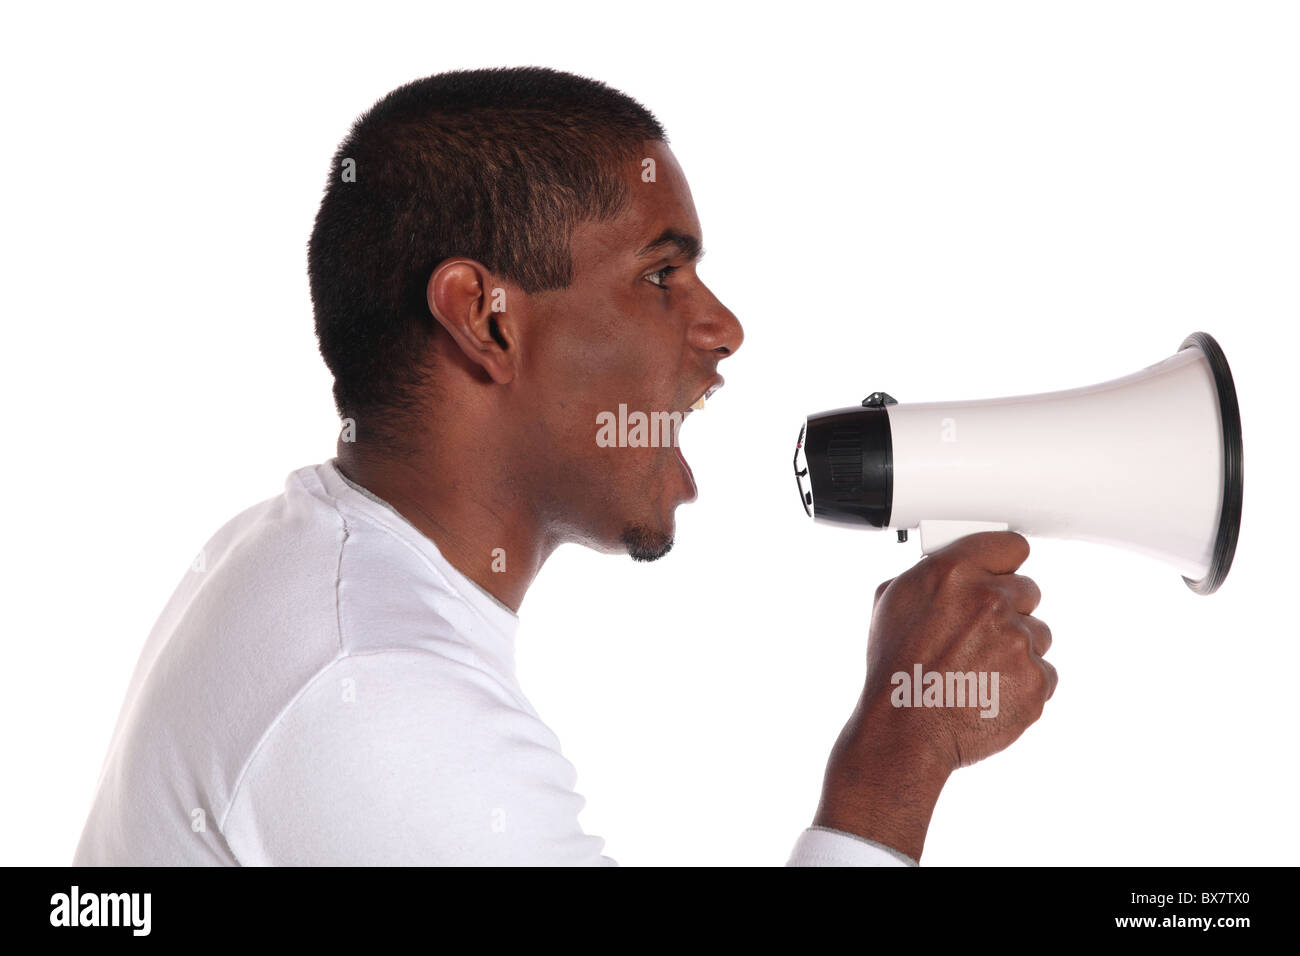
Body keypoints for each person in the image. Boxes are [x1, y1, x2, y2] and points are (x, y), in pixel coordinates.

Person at [73, 66, 1056, 866]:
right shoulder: (376, 697)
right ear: (487, 317)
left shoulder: (304, 563)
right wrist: (897, 752)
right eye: (661, 274)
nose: (722, 327)